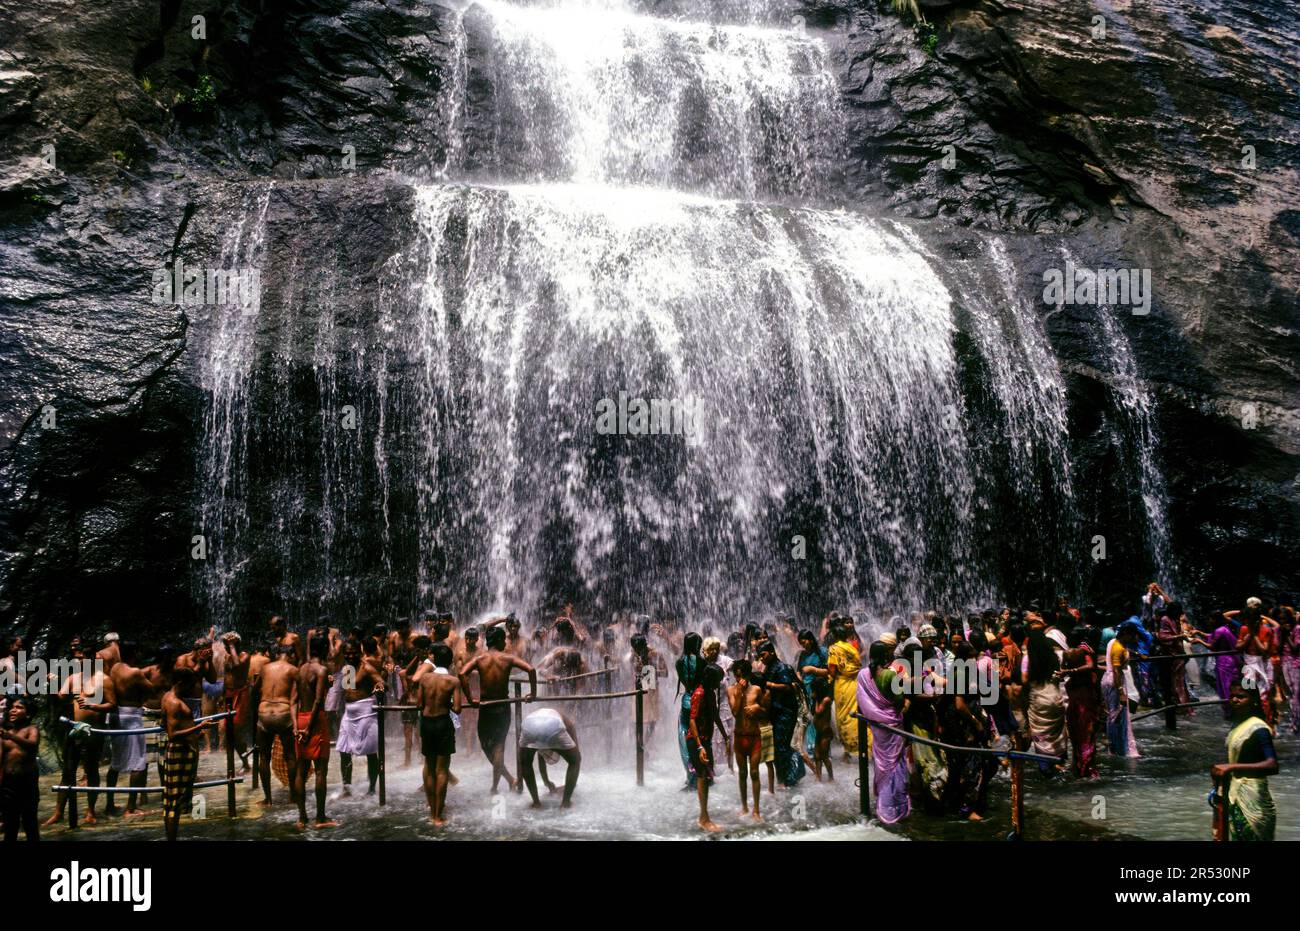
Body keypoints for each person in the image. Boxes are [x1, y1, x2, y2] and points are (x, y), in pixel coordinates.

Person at [45, 638, 114, 827]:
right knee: (68, 770)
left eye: (81, 657)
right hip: (74, 729)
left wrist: (92, 705)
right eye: (77, 658)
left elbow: (112, 704)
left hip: (94, 730)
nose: (78, 660)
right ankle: (58, 812)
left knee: (91, 769)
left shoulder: (104, 680)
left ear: (91, 657)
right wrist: (52, 683)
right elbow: (62, 697)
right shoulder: (73, 678)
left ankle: (90, 811)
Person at [460, 626, 537, 794]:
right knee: (498, 747)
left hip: (486, 707)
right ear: (500, 640)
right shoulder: (507, 658)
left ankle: (495, 787)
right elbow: (531, 670)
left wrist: (470, 699)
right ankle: (509, 781)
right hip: (502, 707)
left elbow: (462, 674)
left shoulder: (480, 659)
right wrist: (533, 693)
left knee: (490, 747)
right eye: (504, 640)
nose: (506, 644)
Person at [1212, 680, 1279, 841]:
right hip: (1234, 793)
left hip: (1253, 798)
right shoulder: (1238, 724)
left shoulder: (1259, 728)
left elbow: (1272, 765)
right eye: (1232, 696)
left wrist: (1231, 767)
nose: (1235, 700)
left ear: (1253, 699)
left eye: (1241, 696)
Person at [857, 641, 909, 824]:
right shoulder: (890, 675)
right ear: (886, 655)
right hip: (892, 724)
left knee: (882, 764)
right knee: (895, 763)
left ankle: (881, 803)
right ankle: (895, 805)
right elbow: (899, 700)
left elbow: (861, 702)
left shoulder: (863, 675)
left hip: (877, 726)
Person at [160, 668, 214, 841]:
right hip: (179, 753)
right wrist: (199, 727)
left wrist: (195, 734)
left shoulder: (167, 697)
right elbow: (173, 734)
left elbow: (163, 723)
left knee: (173, 800)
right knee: (174, 802)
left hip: (182, 750)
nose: (192, 689)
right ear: (181, 683)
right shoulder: (174, 702)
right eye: (190, 685)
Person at [415, 643, 461, 825]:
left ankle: (430, 810)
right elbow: (457, 709)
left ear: (434, 660)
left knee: (428, 765)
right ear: (450, 662)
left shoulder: (424, 678)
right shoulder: (453, 681)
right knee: (442, 770)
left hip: (426, 723)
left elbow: (419, 704)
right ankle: (437, 816)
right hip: (443, 723)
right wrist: (446, 702)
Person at [293, 635, 336, 829]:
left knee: (301, 770)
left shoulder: (300, 669)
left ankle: (302, 818)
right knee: (320, 771)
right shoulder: (321, 670)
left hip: (301, 717)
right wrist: (309, 728)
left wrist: (296, 727)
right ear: (326, 649)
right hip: (315, 720)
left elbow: (294, 700)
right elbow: (318, 701)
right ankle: (320, 818)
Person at [253, 643, 299, 807]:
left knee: (263, 757)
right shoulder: (293, 670)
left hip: (264, 712)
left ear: (278, 654)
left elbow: (255, 690)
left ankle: (268, 799)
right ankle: (293, 796)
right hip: (283, 713)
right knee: (290, 756)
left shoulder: (265, 668)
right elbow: (297, 697)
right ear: (291, 655)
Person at [337, 637, 384, 796]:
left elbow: (383, 683)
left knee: (371, 752)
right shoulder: (347, 668)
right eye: (347, 653)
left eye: (353, 653)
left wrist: (380, 686)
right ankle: (346, 788)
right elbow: (349, 690)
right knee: (344, 751)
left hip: (366, 713)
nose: (350, 656)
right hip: (349, 712)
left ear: (359, 652)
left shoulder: (367, 668)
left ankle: (372, 789)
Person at [756, 641, 804, 787]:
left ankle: (791, 776)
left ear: (771, 652)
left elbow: (789, 687)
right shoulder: (769, 668)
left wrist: (769, 685)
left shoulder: (782, 667)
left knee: (781, 746)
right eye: (759, 656)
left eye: (763, 655)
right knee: (777, 746)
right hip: (775, 711)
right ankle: (783, 779)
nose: (761, 658)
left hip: (786, 712)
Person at [727, 659, 767, 822]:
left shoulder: (756, 689)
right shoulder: (731, 690)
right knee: (742, 773)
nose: (740, 679)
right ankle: (744, 807)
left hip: (754, 736)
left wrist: (758, 708)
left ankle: (756, 810)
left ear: (748, 675)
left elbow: (765, 711)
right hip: (740, 736)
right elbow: (735, 712)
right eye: (737, 676)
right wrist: (739, 693)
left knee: (755, 772)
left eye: (742, 676)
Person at [1024, 622, 1067, 773]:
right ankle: (1059, 762)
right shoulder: (1054, 657)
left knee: (1041, 735)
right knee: (1057, 734)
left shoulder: (1029, 659)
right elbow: (1058, 677)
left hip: (1039, 700)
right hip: (1055, 697)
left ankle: (1045, 766)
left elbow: (1025, 680)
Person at [686, 662, 724, 832]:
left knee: (707, 776)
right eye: (717, 680)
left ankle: (705, 816)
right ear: (710, 679)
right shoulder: (699, 693)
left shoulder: (710, 693)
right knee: (702, 775)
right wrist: (700, 747)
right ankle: (703, 818)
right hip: (696, 741)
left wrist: (725, 736)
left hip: (705, 740)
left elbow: (715, 715)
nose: (719, 683)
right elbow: (692, 720)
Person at [519, 708, 581, 809]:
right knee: (575, 761)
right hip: (553, 726)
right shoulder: (568, 724)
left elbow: (541, 755)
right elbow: (576, 756)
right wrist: (571, 784)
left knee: (525, 763)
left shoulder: (548, 715)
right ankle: (565, 803)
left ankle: (536, 803)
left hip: (528, 725)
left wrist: (547, 782)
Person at [0, 696, 40, 842]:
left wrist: (12, 737)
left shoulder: (31, 729)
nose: (13, 710)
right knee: (10, 825)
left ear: (28, 714)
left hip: (27, 783)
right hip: (8, 785)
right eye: (12, 707)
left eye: (19, 708)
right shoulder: (4, 734)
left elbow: (33, 744)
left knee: (30, 823)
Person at [1061, 631, 1100, 778]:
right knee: (1087, 731)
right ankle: (1087, 767)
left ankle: (1078, 766)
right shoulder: (1085, 651)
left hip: (1074, 694)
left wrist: (1069, 671)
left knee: (1076, 731)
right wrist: (1074, 670)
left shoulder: (1067, 653)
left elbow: (1062, 670)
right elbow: (1091, 666)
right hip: (1086, 695)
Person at [1102, 622, 1140, 757]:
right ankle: (1115, 747)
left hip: (1112, 679)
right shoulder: (1118, 647)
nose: (1133, 638)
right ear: (1126, 634)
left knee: (1116, 714)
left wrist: (1137, 654)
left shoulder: (1117, 644)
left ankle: (1117, 746)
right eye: (1132, 635)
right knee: (1115, 715)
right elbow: (1117, 671)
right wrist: (1121, 692)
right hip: (1115, 681)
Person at [827, 622, 862, 759]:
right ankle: (861, 746)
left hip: (841, 685)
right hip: (854, 683)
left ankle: (849, 749)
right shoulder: (851, 647)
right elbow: (858, 664)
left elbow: (832, 670)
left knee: (843, 718)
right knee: (854, 715)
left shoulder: (834, 648)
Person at [675, 632, 705, 788]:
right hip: (699, 699)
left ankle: (690, 773)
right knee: (699, 735)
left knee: (684, 735)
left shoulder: (679, 663)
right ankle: (702, 773)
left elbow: (685, 682)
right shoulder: (701, 662)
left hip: (686, 699)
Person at [809, 677, 834, 782]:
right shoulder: (819, 700)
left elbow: (818, 711)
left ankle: (831, 778)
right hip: (819, 733)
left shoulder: (826, 700)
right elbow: (813, 712)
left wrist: (815, 699)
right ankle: (818, 777)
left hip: (826, 733)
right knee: (817, 756)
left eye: (814, 690)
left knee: (824, 756)